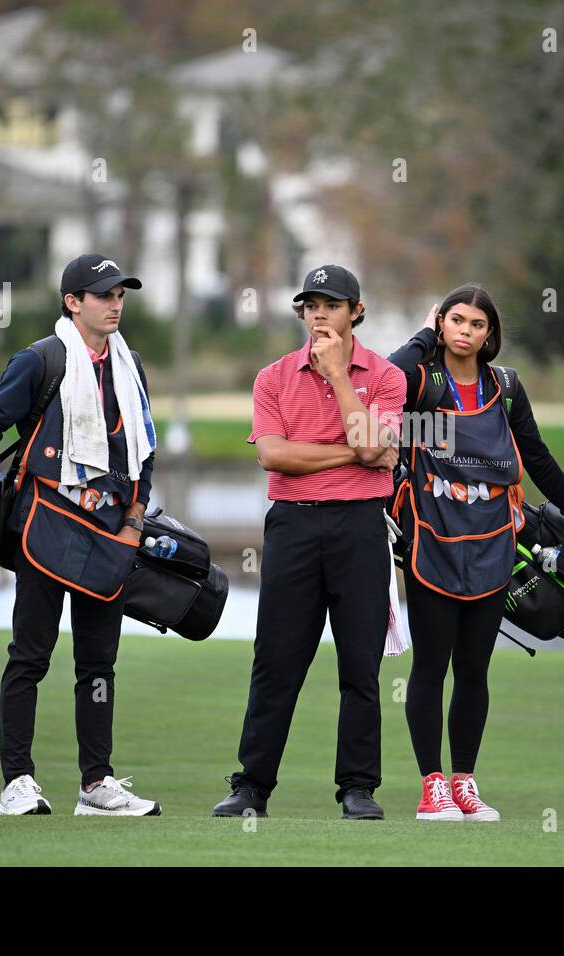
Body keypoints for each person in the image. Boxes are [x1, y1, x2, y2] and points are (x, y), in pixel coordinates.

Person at [0, 253, 162, 817]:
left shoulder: (130, 364)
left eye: (121, 294)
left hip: (111, 530)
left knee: (98, 665)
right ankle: (16, 783)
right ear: (72, 302)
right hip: (47, 526)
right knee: (30, 657)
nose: (116, 303)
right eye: (103, 295)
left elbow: (143, 449)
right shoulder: (40, 360)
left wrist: (137, 520)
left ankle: (97, 787)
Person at [389, 284, 564, 822]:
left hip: (493, 545)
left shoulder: (505, 387)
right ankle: (431, 786)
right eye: (455, 320)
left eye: (476, 324)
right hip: (431, 543)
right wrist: (423, 331)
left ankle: (464, 782)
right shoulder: (422, 381)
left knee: (475, 670)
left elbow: (538, 457)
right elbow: (389, 377)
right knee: (431, 667)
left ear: (491, 334)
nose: (465, 331)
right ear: (441, 324)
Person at [213, 264, 405, 821]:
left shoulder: (387, 378)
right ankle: (252, 786)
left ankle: (358, 788)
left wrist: (341, 378)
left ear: (356, 311)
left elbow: (377, 446)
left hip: (361, 527)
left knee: (360, 664)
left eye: (332, 305)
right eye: (311, 305)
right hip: (294, 526)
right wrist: (359, 451)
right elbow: (275, 455)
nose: (319, 314)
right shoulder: (273, 377)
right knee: (276, 660)